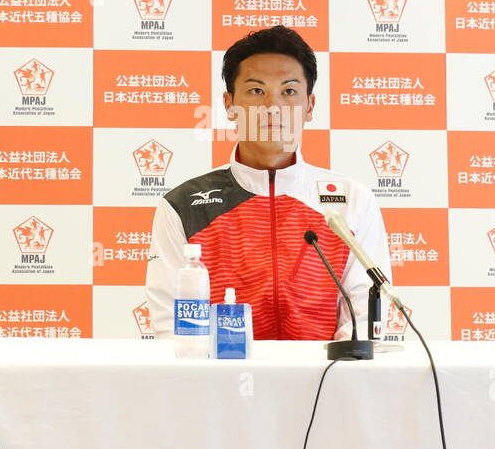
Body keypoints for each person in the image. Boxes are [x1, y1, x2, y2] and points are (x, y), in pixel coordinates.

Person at [145, 26, 391, 340]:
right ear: (229, 104)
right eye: (256, 91)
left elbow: (365, 313)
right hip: (219, 381)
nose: (272, 107)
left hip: (324, 381)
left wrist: (331, 377)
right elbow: (172, 322)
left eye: (288, 91)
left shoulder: (353, 200)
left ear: (310, 106)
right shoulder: (183, 204)